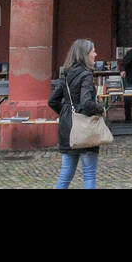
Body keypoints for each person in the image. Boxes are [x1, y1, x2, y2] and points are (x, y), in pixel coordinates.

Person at [49, 38, 105, 189]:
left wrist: (67, 113)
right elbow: (86, 103)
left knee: (65, 174)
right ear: (85, 54)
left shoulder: (67, 74)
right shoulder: (86, 75)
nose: (95, 54)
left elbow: (52, 101)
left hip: (67, 128)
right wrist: (101, 108)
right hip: (85, 128)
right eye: (93, 51)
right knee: (89, 175)